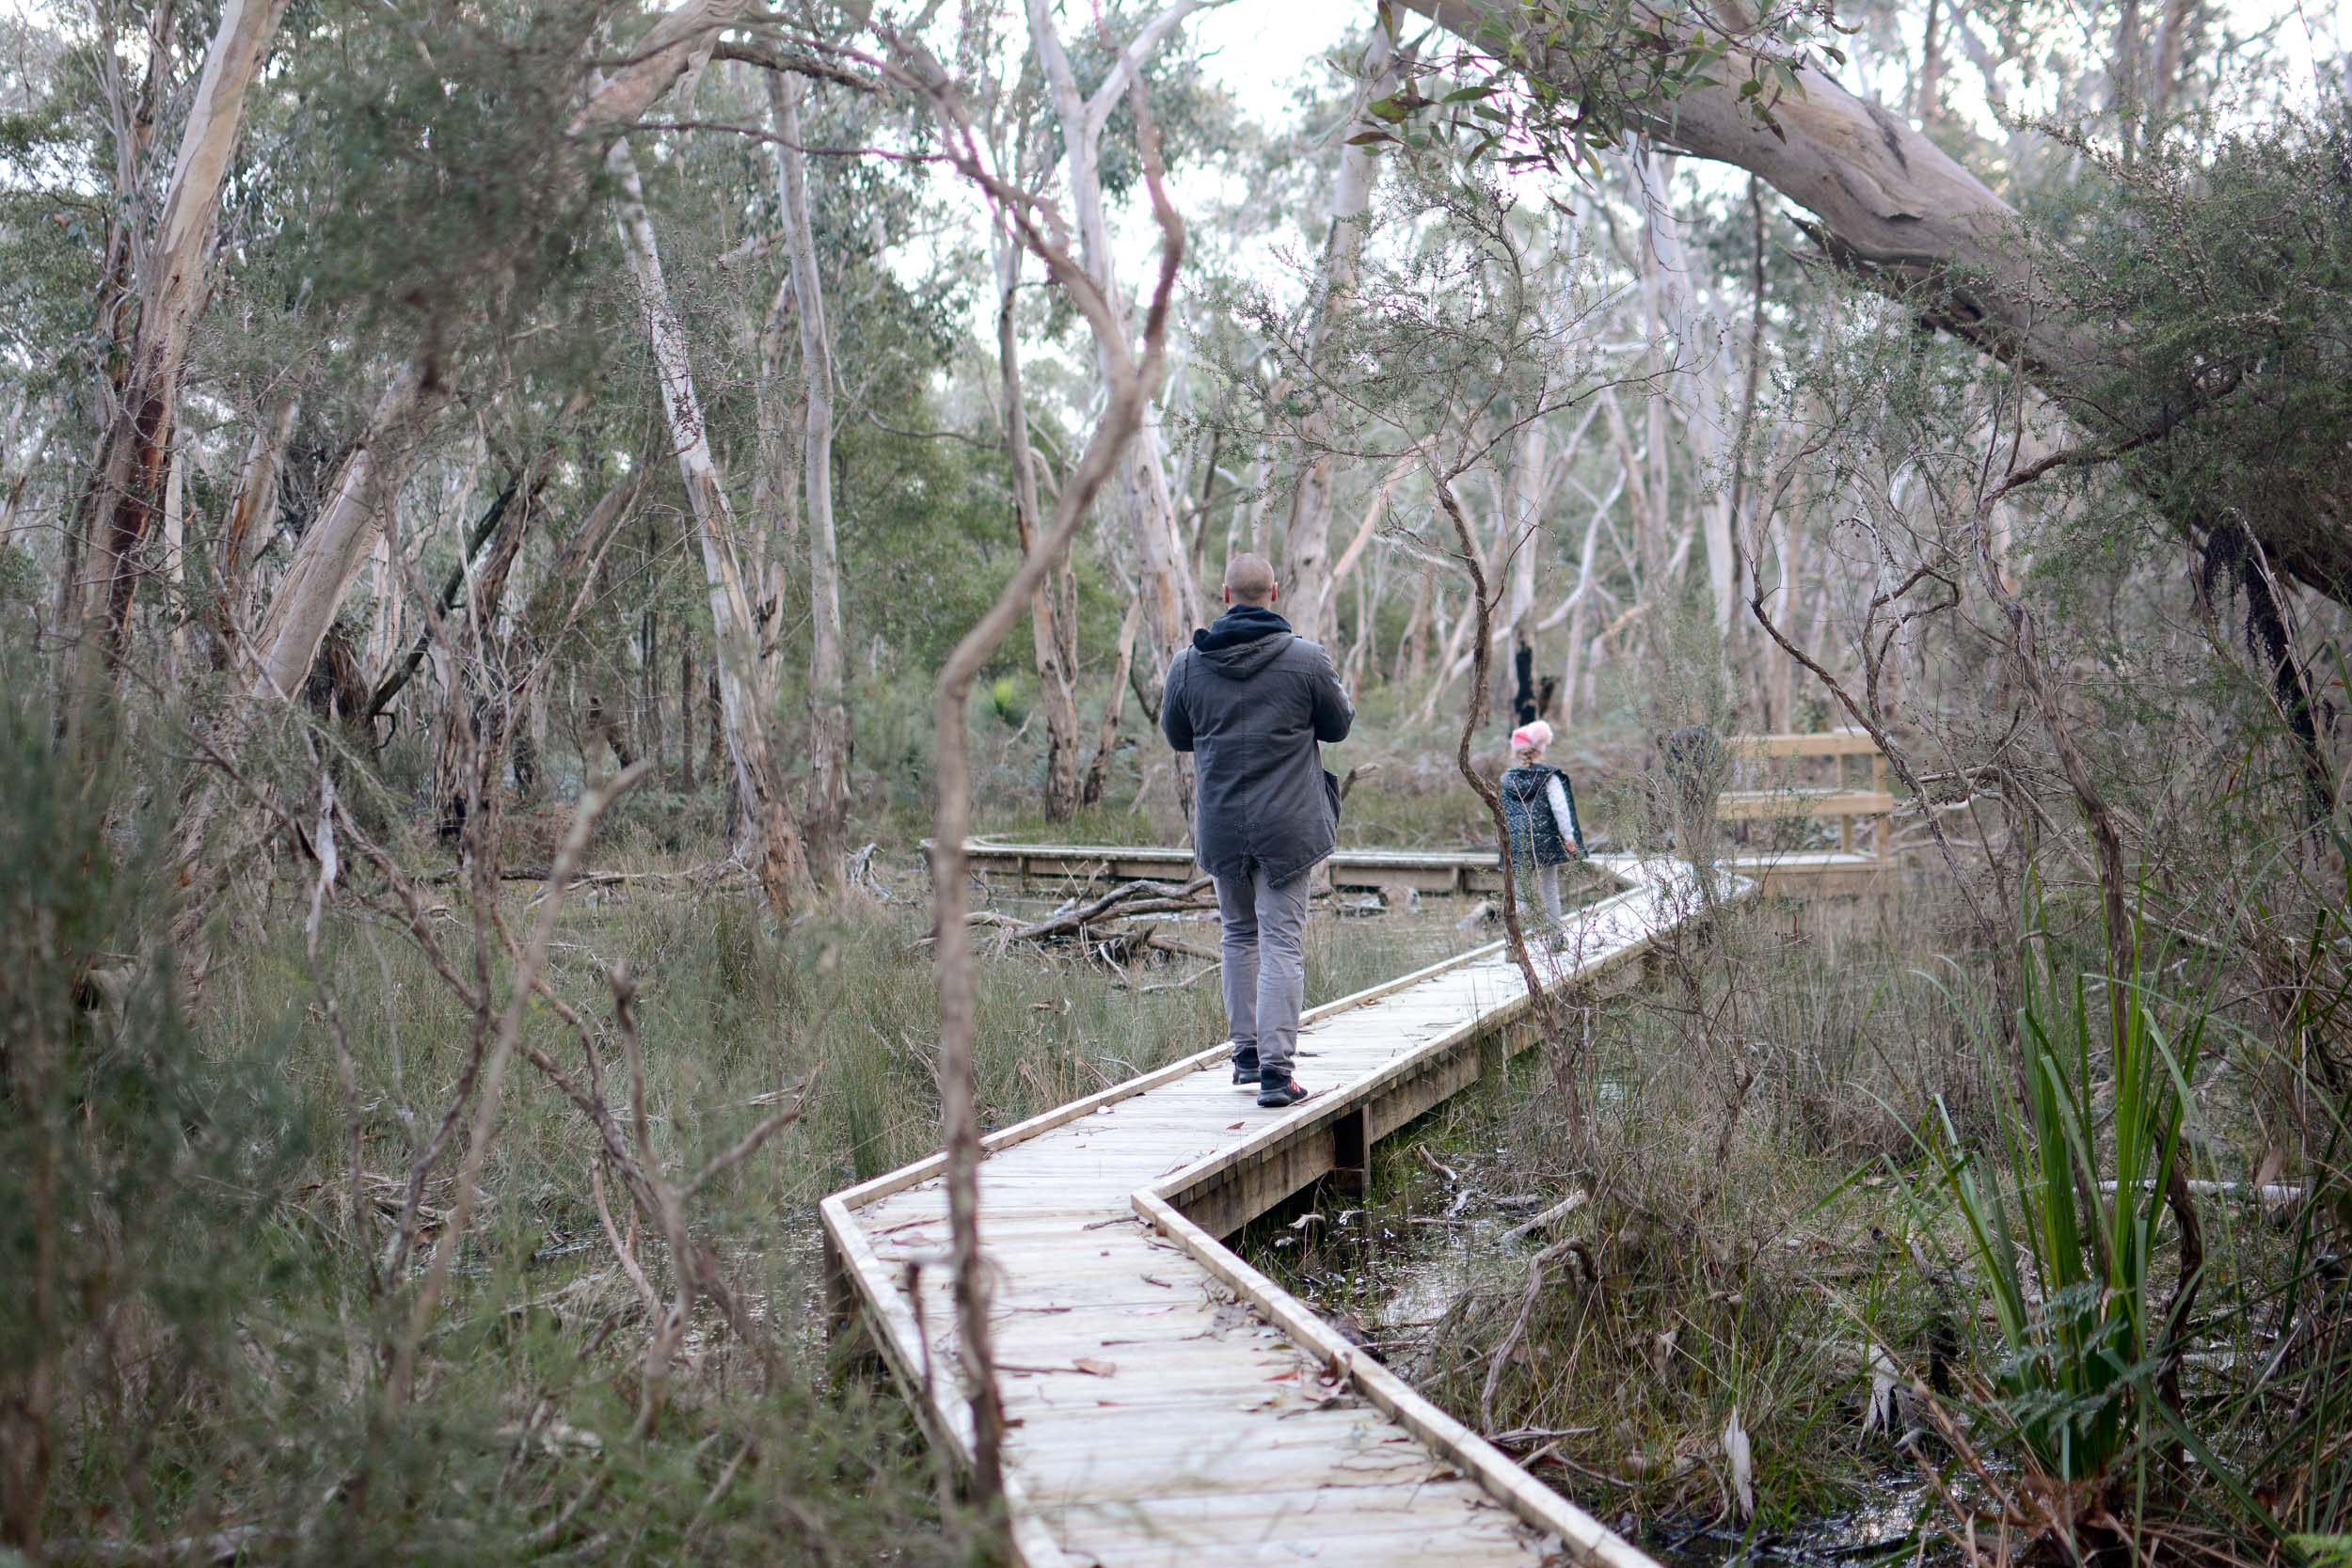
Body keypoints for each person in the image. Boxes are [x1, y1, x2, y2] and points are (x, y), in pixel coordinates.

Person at [1160, 553, 1354, 1109]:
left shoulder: (1188, 666)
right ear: (1273, 592)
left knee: (1239, 935)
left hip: (1223, 824)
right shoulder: (1306, 659)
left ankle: (1245, 1056)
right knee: (1280, 941)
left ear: (1226, 595)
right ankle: (1275, 1072)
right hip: (1289, 828)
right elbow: (1338, 726)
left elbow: (1178, 736)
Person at [1499, 720, 1584, 925]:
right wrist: (1569, 836)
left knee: (1522, 892)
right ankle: (1556, 938)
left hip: (1516, 841)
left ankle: (1525, 940)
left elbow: (1503, 813)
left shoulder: (1507, 779)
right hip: (1546, 841)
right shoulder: (1549, 776)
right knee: (1550, 887)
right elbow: (1560, 808)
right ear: (1540, 749)